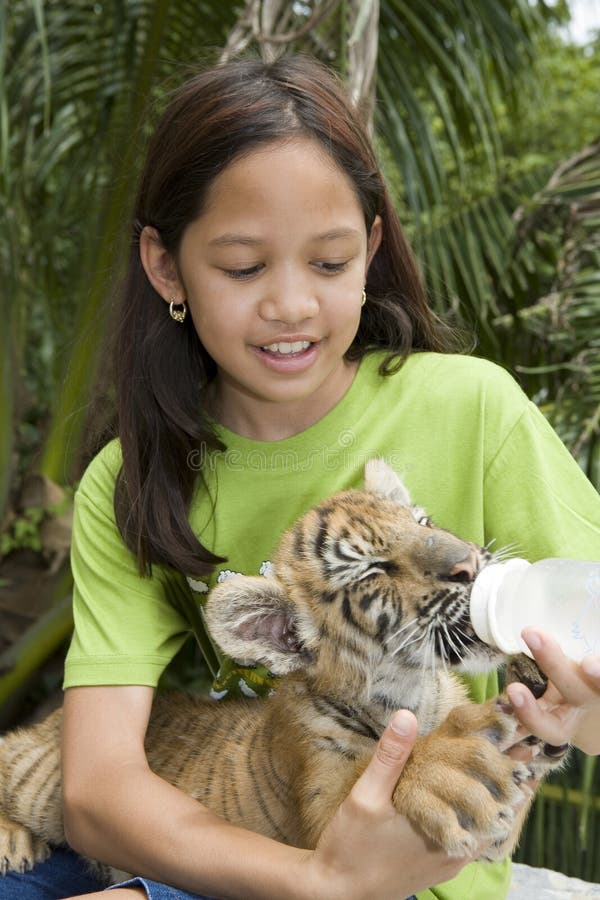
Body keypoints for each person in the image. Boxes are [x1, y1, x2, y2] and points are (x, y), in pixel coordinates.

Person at [2, 54, 599, 900]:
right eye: (244, 268)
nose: (291, 304)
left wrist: (577, 707)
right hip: (246, 854)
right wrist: (318, 881)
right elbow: (98, 793)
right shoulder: (131, 480)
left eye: (328, 262)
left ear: (372, 251)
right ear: (166, 267)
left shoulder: (473, 409)